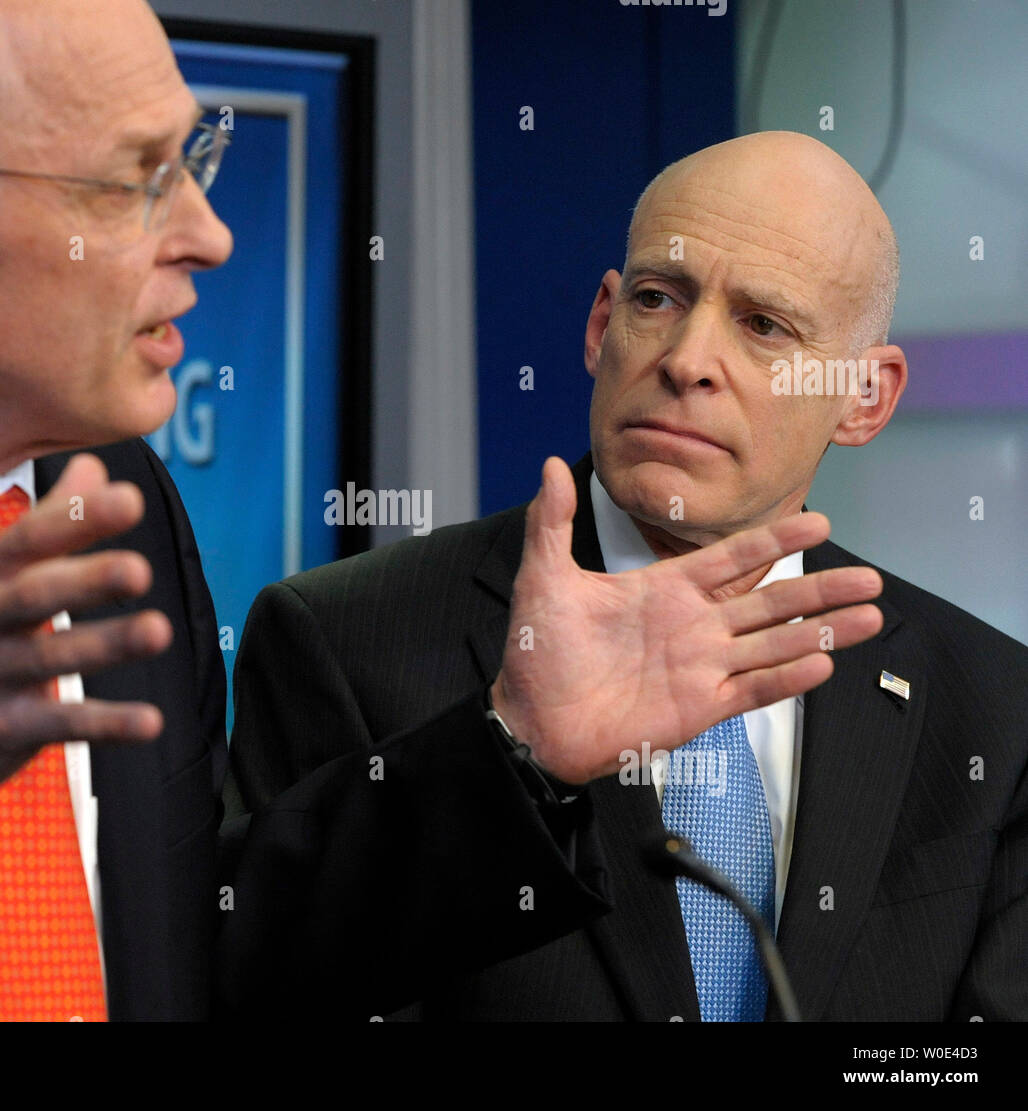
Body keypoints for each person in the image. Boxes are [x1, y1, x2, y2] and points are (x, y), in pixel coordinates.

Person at [0, 1, 885, 1022]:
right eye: (135, 181)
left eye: (201, 160)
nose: (207, 233)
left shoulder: (119, 496)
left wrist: (514, 753)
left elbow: (211, 958)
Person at [231, 131, 1028, 1021]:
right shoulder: (346, 637)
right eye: (658, 299)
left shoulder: (995, 706)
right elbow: (247, 981)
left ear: (865, 396)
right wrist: (517, 748)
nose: (687, 360)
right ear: (602, 324)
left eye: (763, 325)